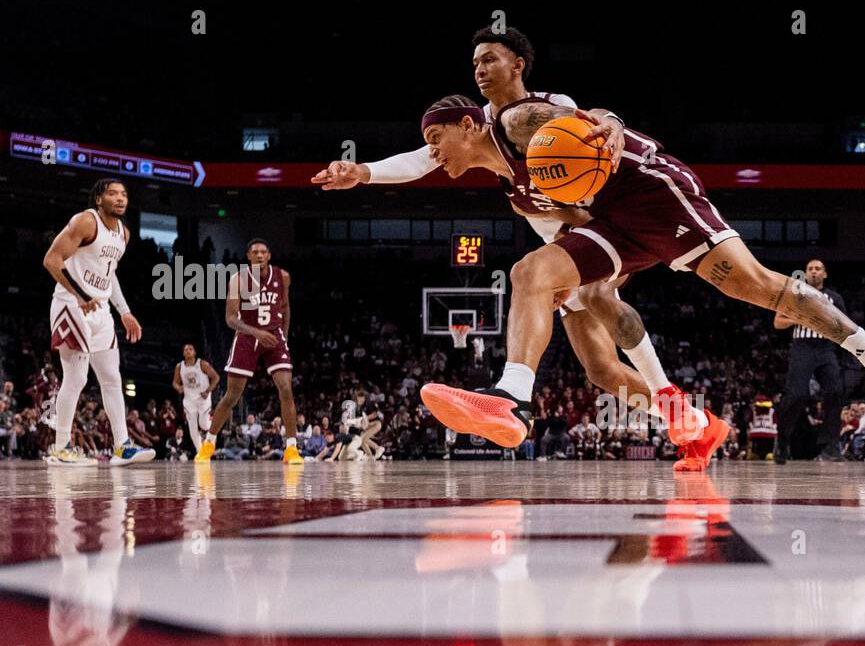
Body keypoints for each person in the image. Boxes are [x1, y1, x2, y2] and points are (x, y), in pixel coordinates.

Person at [412, 93, 865, 457]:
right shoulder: (509, 183)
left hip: (653, 193)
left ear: (468, 126)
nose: (431, 153)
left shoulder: (515, 123)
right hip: (609, 221)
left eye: (435, 139)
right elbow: (408, 167)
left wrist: (611, 123)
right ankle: (513, 400)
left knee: (759, 286)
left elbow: (584, 116)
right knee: (530, 273)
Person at [310, 25, 717, 468]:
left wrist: (614, 121)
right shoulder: (481, 136)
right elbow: (425, 157)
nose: (479, 70)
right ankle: (697, 423)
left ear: (517, 65)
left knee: (599, 294)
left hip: (609, 227)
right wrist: (363, 172)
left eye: (489, 60)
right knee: (600, 371)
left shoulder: (546, 110)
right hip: (568, 247)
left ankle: (549, 396)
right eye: (475, 64)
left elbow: (593, 122)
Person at [41, 177, 154, 465]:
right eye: (113, 193)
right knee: (76, 377)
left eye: (124, 194)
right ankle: (61, 447)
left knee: (112, 378)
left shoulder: (124, 235)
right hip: (70, 304)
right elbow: (52, 260)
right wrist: (78, 294)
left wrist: (124, 311)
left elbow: (109, 273)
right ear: (99, 198)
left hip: (101, 310)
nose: (120, 198)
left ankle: (123, 446)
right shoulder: (85, 221)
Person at [195, 238, 304, 464]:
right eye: (255, 252)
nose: (260, 255)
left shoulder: (283, 276)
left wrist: (283, 334)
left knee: (285, 388)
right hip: (246, 336)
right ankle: (208, 443)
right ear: (248, 256)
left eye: (264, 252)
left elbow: (285, 307)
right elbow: (230, 318)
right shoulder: (238, 279)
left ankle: (292, 448)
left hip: (273, 335)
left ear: (269, 256)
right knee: (232, 395)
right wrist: (256, 333)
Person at [774, 259, 845, 461]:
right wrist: (800, 318)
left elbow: (845, 325)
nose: (814, 272)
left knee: (835, 391)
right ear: (805, 273)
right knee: (797, 394)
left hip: (826, 347)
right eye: (810, 269)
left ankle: (830, 445)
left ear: (825, 274)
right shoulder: (795, 294)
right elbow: (778, 322)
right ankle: (783, 439)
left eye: (818, 269)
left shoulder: (835, 298)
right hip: (802, 347)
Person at [172, 343, 219, 456]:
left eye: (190, 349)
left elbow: (216, 377)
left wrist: (208, 391)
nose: (188, 351)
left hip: (203, 399)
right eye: (185, 349)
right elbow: (175, 382)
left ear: (195, 352)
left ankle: (213, 422)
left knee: (203, 425)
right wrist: (178, 387)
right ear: (183, 353)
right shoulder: (179, 366)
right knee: (192, 429)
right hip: (189, 400)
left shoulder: (202, 364)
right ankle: (200, 452)